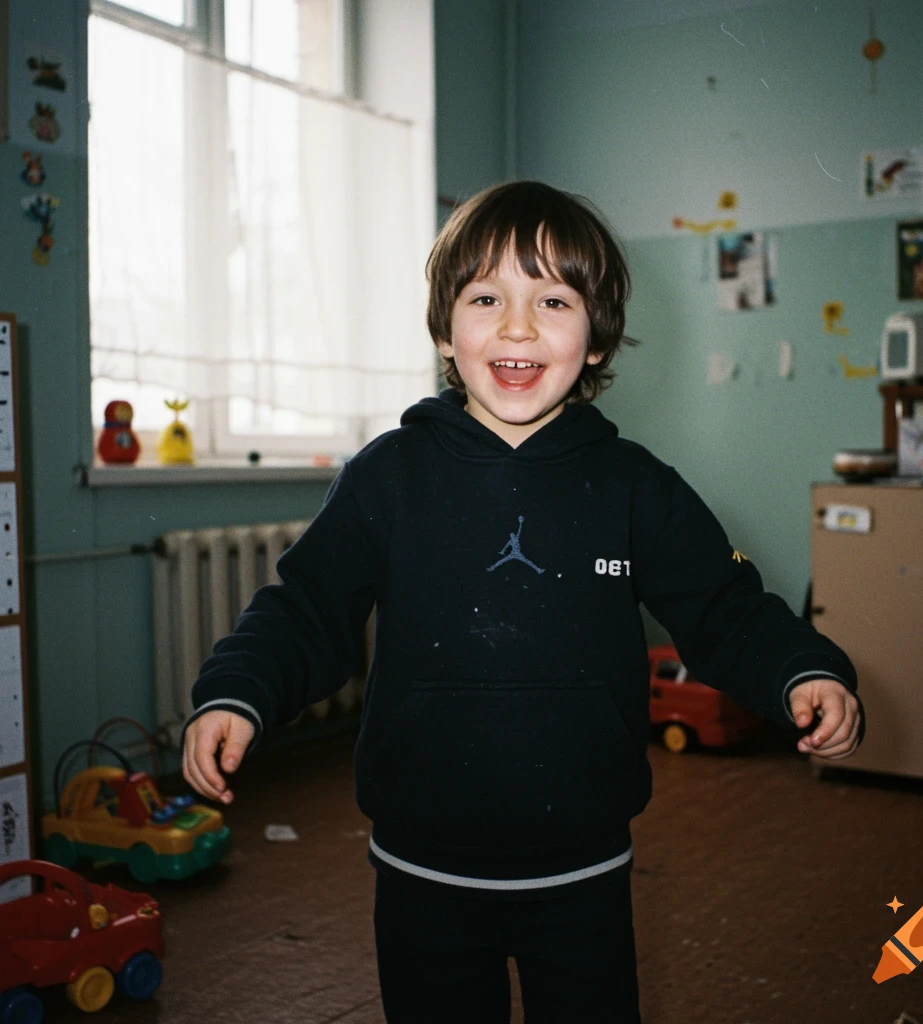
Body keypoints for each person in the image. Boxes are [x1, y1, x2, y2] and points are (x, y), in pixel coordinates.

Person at [181, 180, 864, 1023]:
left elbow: (724, 607)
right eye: (485, 298)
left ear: (598, 336)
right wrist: (236, 689)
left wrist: (802, 669)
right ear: (445, 329)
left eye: (552, 298)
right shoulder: (387, 479)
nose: (516, 325)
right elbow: (305, 606)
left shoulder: (635, 488)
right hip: (421, 868)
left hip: (582, 869)